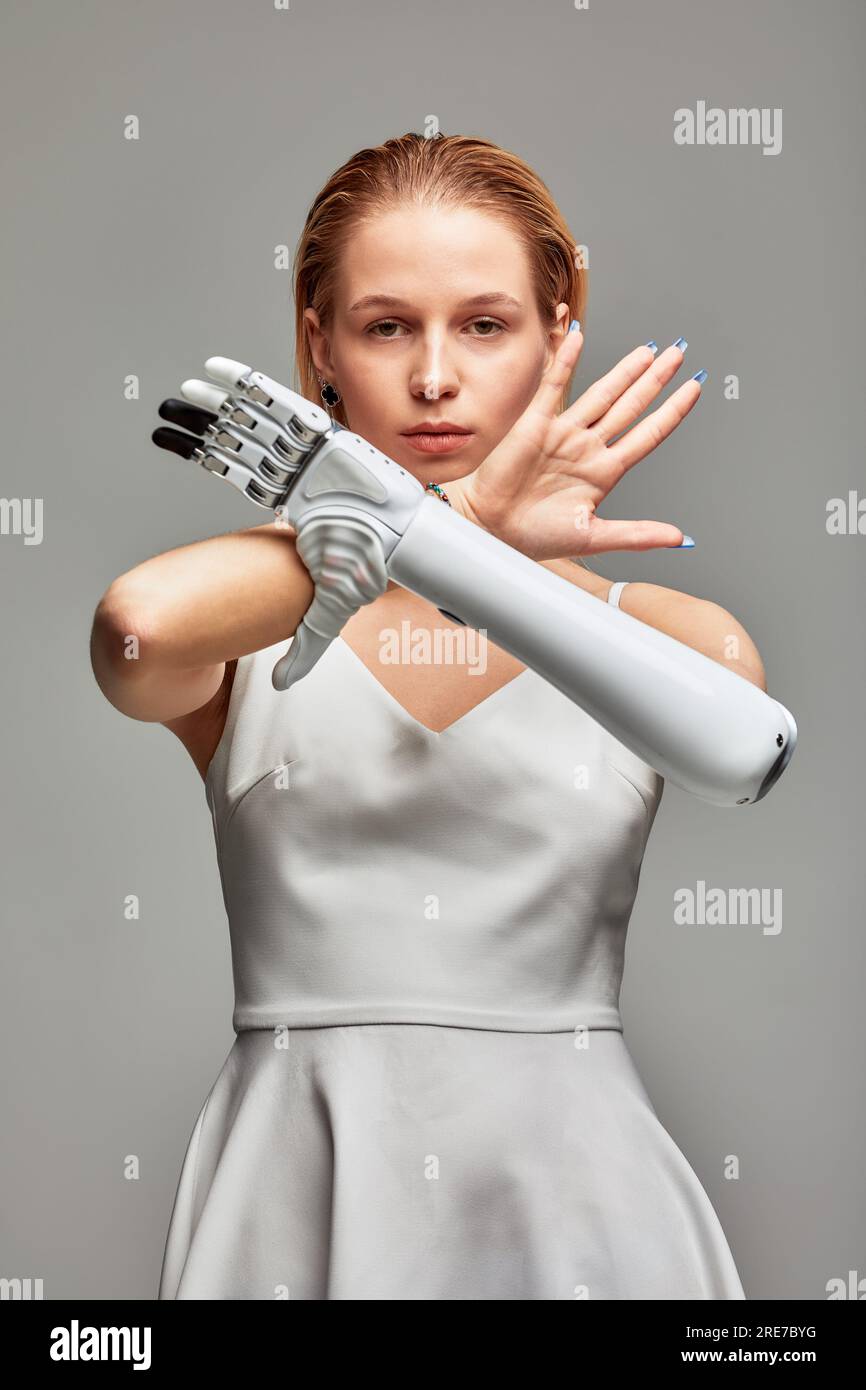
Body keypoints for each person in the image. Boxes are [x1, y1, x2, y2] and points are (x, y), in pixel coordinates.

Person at [90, 132, 766, 1300]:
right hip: (296, 1193)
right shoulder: (249, 622)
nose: (435, 377)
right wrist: (443, 526)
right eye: (387, 324)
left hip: (583, 1214)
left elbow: (743, 751)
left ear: (560, 337)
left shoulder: (667, 630)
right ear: (321, 346)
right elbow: (133, 633)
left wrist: (462, 548)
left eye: (486, 324)